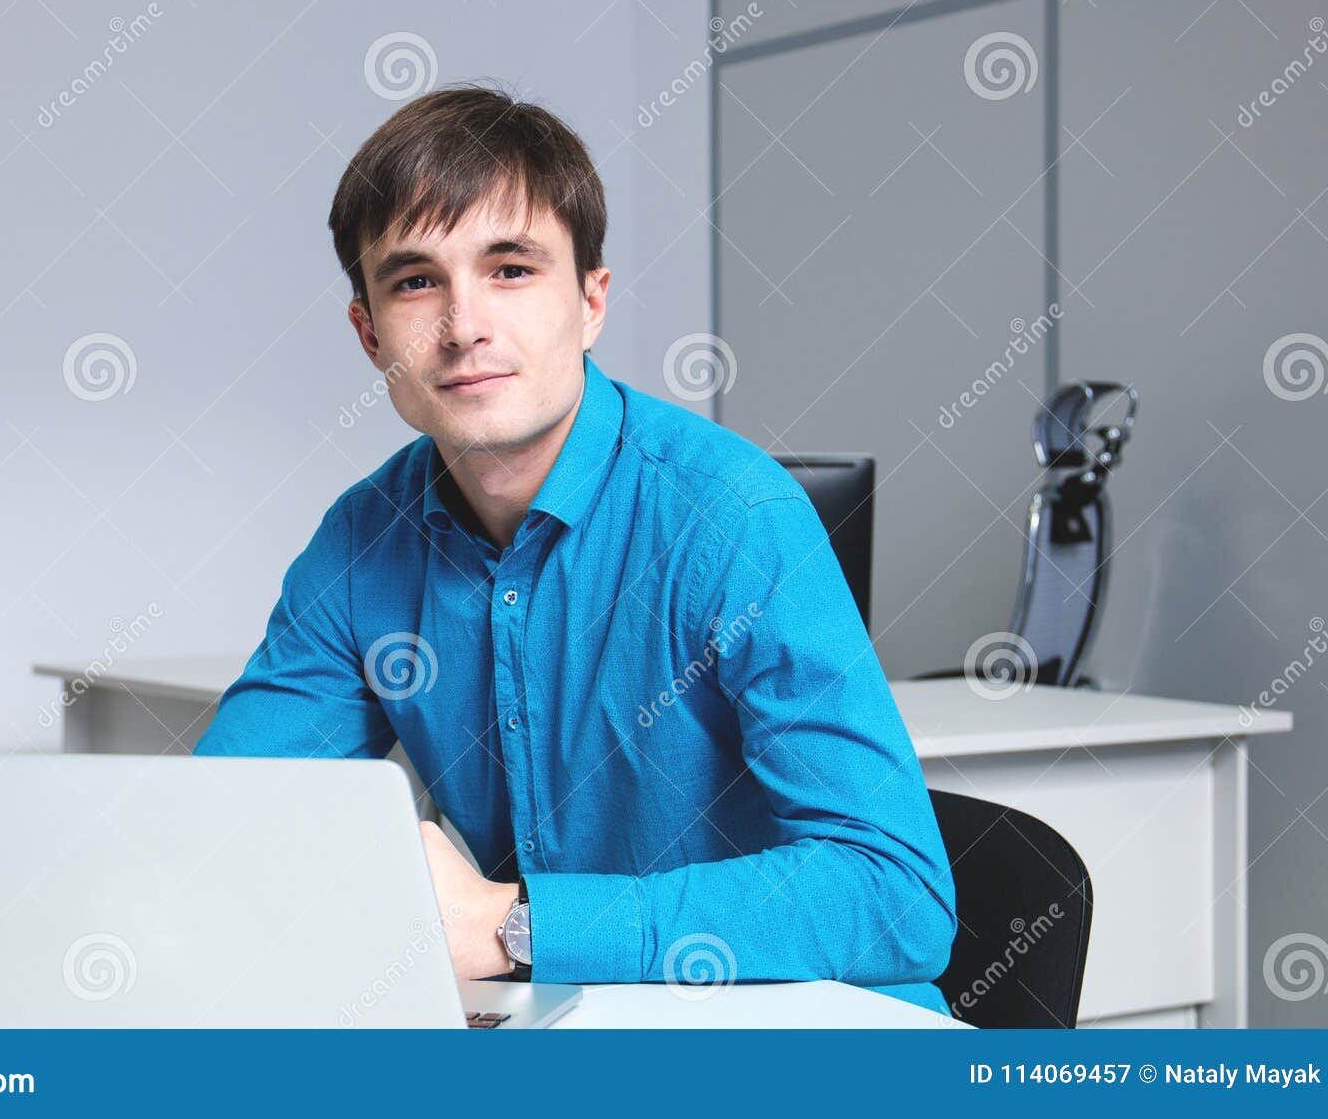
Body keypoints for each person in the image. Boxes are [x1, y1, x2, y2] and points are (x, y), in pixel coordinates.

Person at [194, 82, 955, 1014]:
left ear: (591, 301)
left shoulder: (735, 515)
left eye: (510, 268)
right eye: (415, 279)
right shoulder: (364, 538)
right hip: (569, 1029)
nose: (464, 324)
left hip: (792, 1032)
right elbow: (220, 827)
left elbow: (898, 896)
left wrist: (514, 924)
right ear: (368, 333)